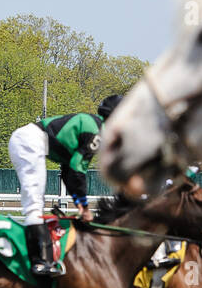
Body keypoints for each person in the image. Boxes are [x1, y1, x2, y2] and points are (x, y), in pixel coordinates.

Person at [7, 94, 124, 276]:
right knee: (34, 204)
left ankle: (42, 259)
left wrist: (79, 204)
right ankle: (40, 261)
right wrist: (84, 207)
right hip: (30, 142)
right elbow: (77, 169)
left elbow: (70, 172)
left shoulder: (94, 128)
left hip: (29, 141)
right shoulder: (97, 131)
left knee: (36, 202)